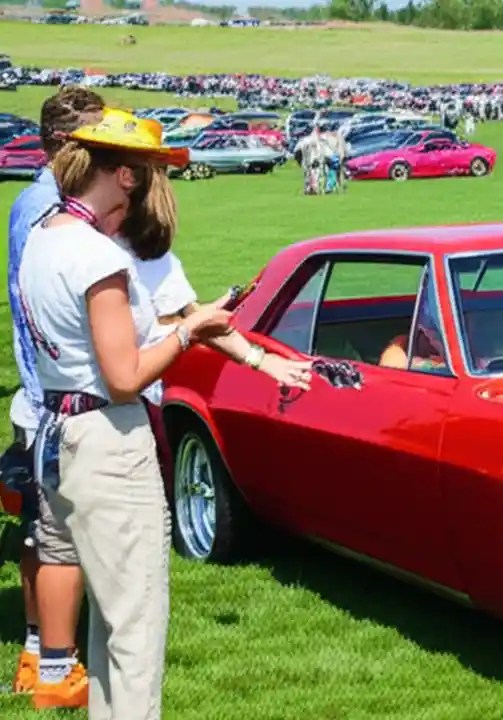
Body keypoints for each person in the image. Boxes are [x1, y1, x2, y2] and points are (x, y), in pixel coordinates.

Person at [18, 107, 232, 719]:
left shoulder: (43, 236)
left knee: (109, 625)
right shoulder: (98, 256)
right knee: (135, 628)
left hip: (58, 430)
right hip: (109, 441)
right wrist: (190, 331)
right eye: (150, 172)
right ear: (127, 176)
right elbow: (124, 378)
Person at [5, 85, 104, 707]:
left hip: (44, 397)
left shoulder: (37, 201)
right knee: (52, 537)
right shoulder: (47, 209)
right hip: (54, 399)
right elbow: (44, 312)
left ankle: (39, 657)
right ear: (67, 143)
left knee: (43, 535)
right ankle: (48, 663)